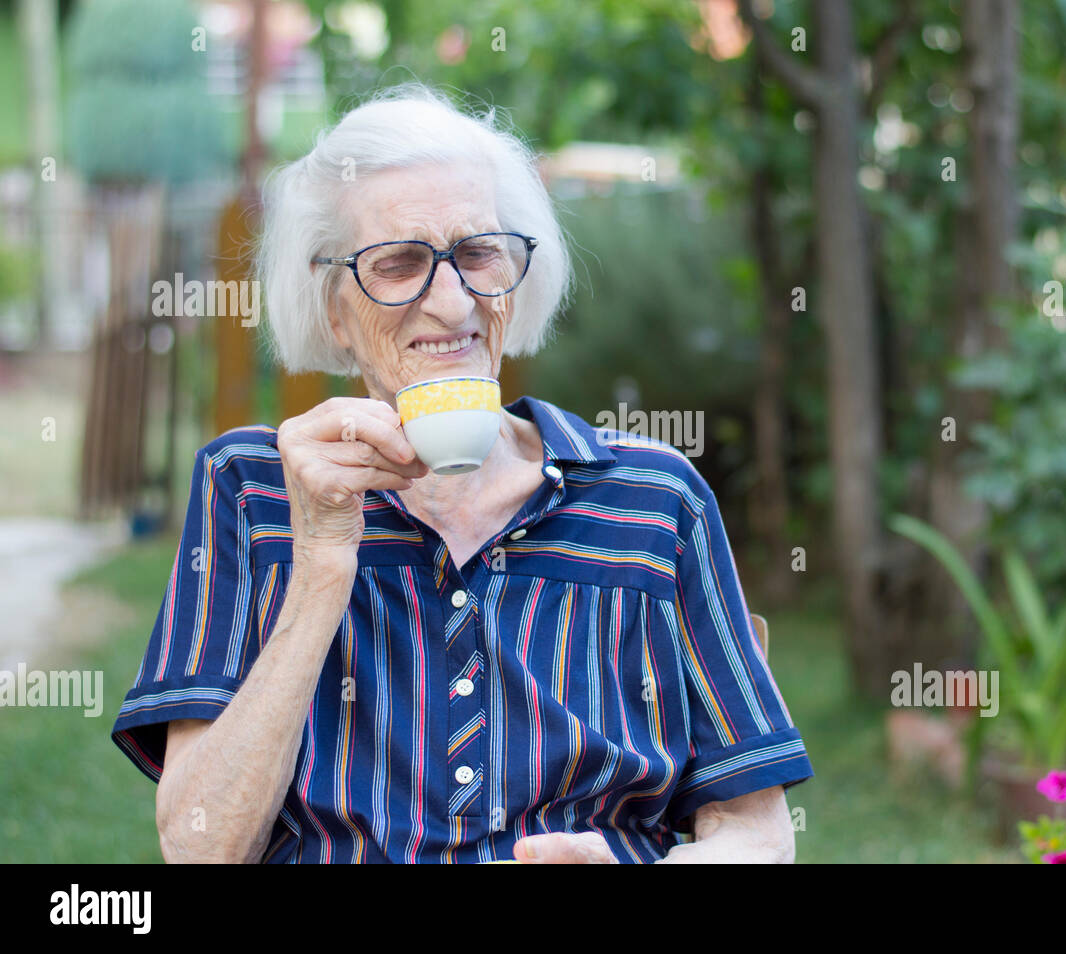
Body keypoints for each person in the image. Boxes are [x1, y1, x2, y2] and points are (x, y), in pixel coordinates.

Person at [111, 83, 813, 863]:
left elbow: (756, 831)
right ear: (334, 310)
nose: (452, 301)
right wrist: (319, 573)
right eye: (400, 262)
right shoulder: (253, 486)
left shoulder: (654, 498)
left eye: (478, 252)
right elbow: (199, 850)